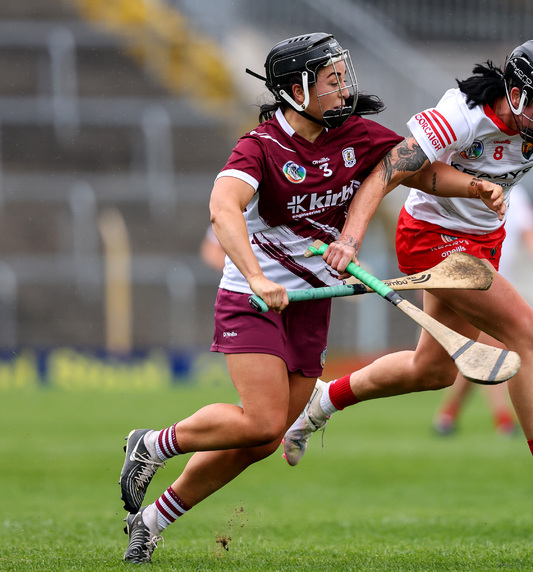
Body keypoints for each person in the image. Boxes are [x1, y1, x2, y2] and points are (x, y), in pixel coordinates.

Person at [117, 32, 503, 564]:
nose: (344, 88)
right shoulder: (261, 147)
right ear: (296, 89)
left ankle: (152, 521)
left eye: (344, 76)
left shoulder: (357, 134)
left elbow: (417, 169)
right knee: (262, 421)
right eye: (332, 80)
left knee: (260, 442)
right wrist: (255, 276)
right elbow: (223, 209)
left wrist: (472, 187)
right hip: (252, 299)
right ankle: (152, 444)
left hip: (308, 302)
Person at [282, 39, 533, 518]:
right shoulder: (460, 116)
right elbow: (387, 170)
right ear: (514, 93)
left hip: (483, 243)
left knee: (432, 371)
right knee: (527, 334)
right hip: (429, 237)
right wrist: (351, 238)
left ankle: (322, 401)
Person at [432, 190, 533, 437]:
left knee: (475, 356)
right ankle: (503, 419)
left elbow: (529, 228)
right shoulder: (472, 183)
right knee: (492, 352)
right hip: (472, 282)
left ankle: (448, 415)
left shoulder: (517, 194)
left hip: (498, 285)